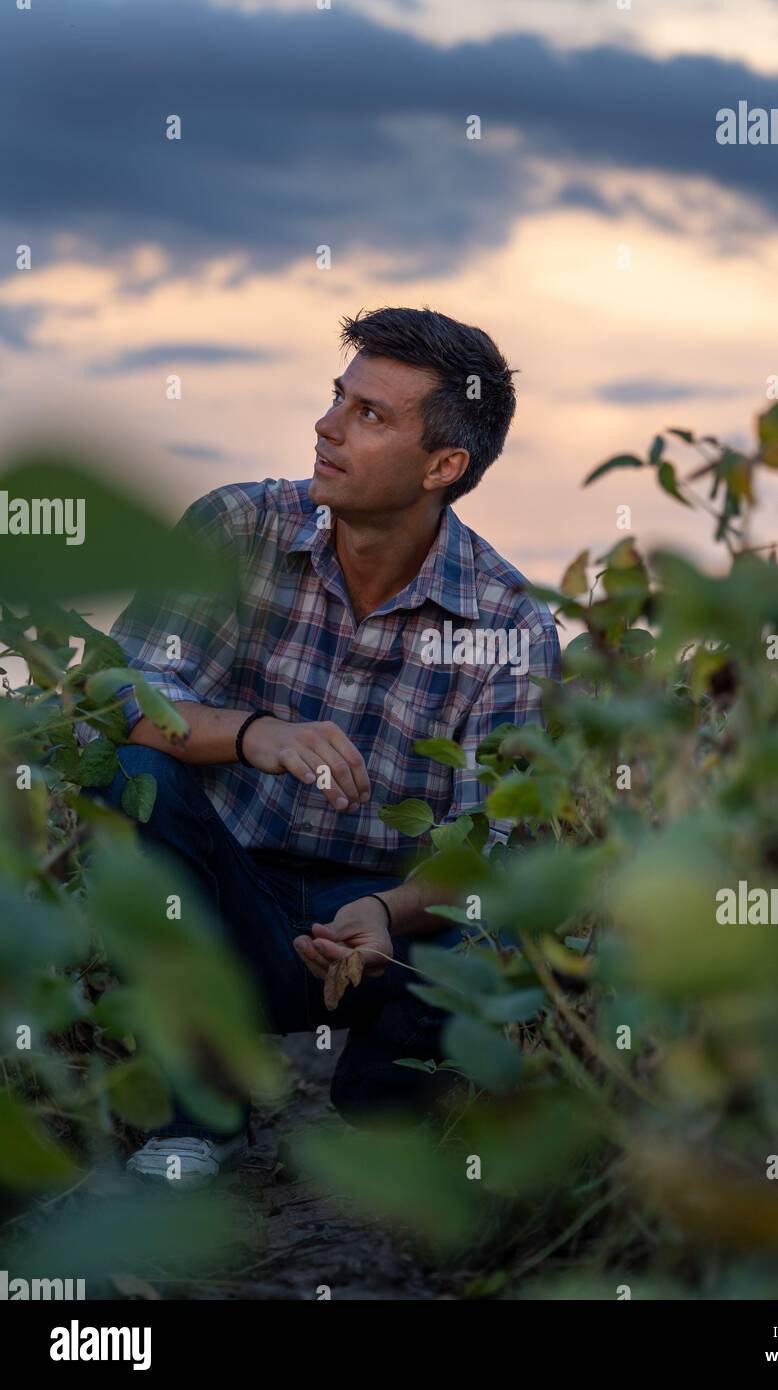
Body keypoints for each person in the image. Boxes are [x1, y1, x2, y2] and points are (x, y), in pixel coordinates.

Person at [77, 306, 561, 1187]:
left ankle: (393, 1117)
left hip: (384, 933)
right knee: (132, 770)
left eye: (370, 416)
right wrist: (256, 736)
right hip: (229, 900)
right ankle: (202, 1110)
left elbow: (498, 839)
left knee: (498, 921)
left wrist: (391, 911)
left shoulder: (509, 623)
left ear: (443, 467)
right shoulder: (239, 529)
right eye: (338, 399)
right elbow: (117, 702)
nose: (327, 426)